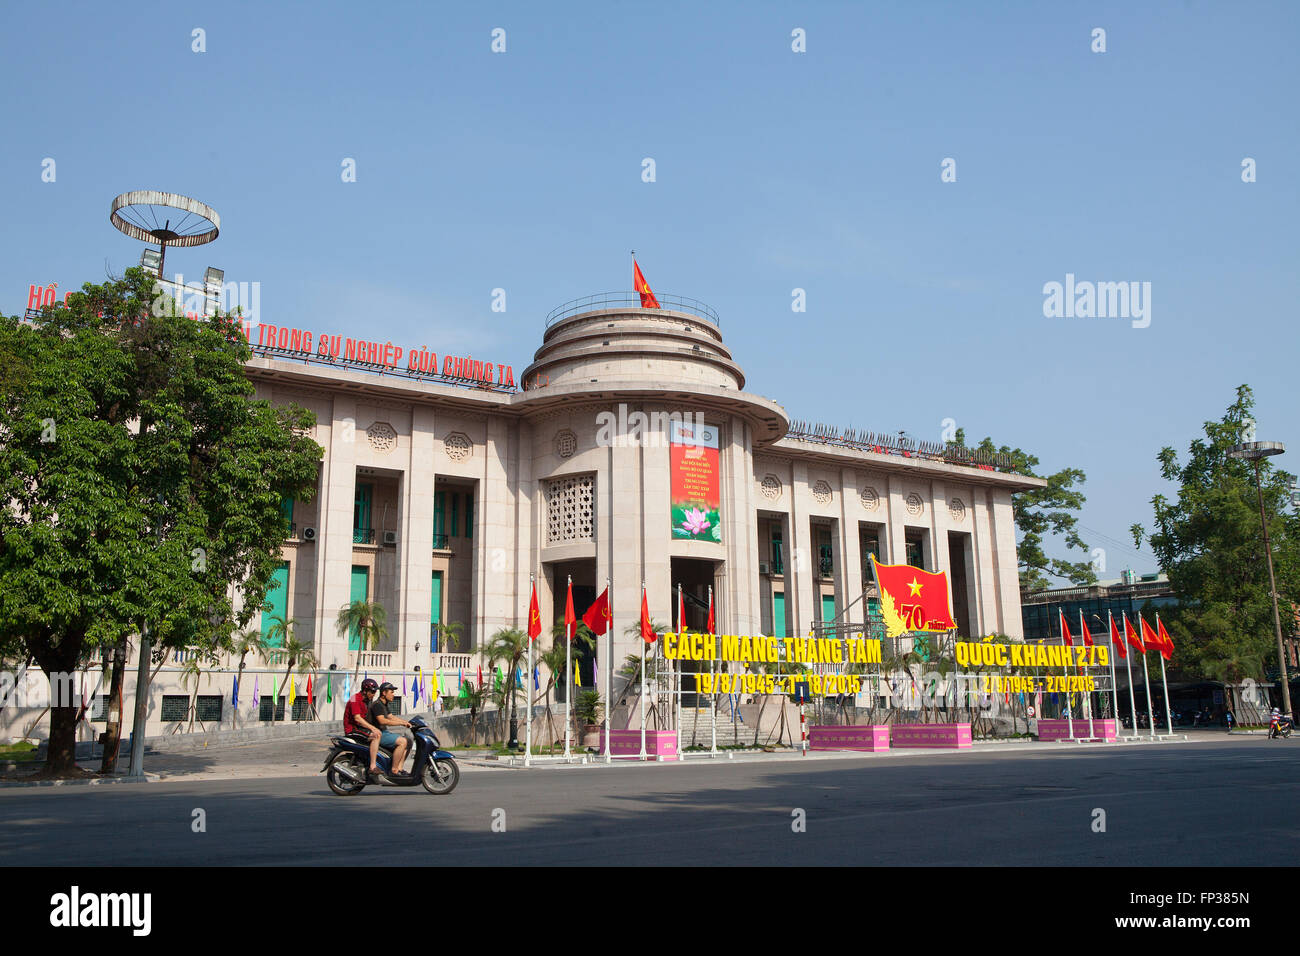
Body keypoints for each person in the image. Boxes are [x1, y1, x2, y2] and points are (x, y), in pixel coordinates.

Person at [370, 681, 414, 776]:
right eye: (391, 692)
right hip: (379, 734)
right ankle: (394, 770)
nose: (393, 695)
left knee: (409, 741)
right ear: (384, 693)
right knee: (402, 742)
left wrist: (405, 722)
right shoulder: (377, 704)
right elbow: (383, 721)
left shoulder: (384, 704)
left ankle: (399, 768)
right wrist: (400, 723)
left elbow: (391, 716)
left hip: (384, 732)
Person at [344, 678, 383, 780]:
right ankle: (373, 766)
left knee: (379, 732)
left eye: (375, 692)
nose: (374, 694)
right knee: (376, 736)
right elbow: (357, 718)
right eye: (372, 692)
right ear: (365, 691)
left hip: (359, 728)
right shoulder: (354, 698)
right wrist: (372, 728)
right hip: (353, 729)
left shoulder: (367, 701)